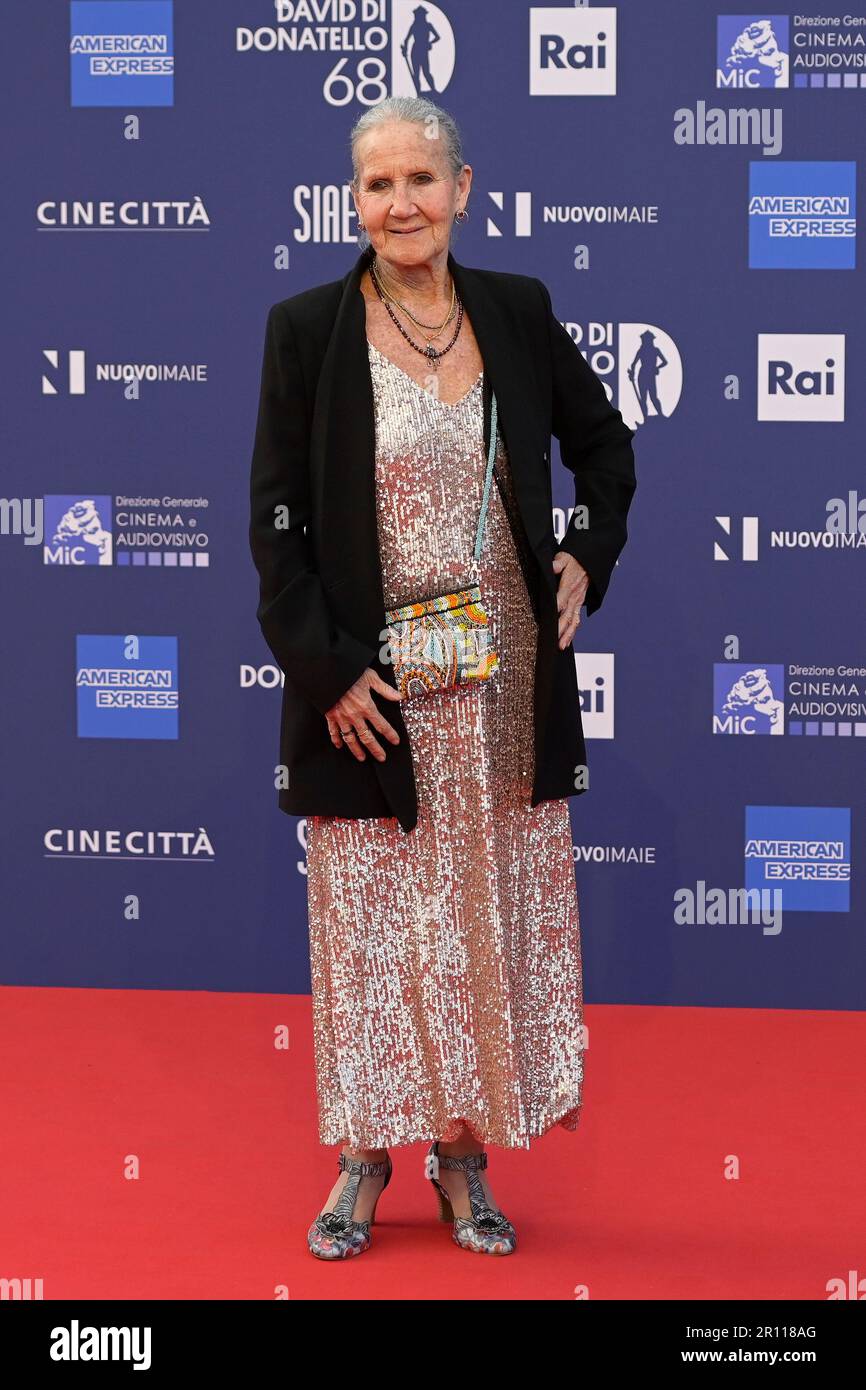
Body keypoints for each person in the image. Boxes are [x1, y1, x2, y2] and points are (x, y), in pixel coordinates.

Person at [248, 96, 637, 1260]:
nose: (400, 203)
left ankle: (462, 1157)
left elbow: (604, 446)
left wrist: (585, 552)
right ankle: (363, 1158)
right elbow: (276, 528)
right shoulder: (306, 329)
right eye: (377, 184)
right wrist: (324, 675)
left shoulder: (513, 312)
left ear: (463, 191)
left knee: (481, 918)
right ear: (351, 201)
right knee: (370, 932)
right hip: (371, 695)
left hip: (501, 681)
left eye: (421, 179)